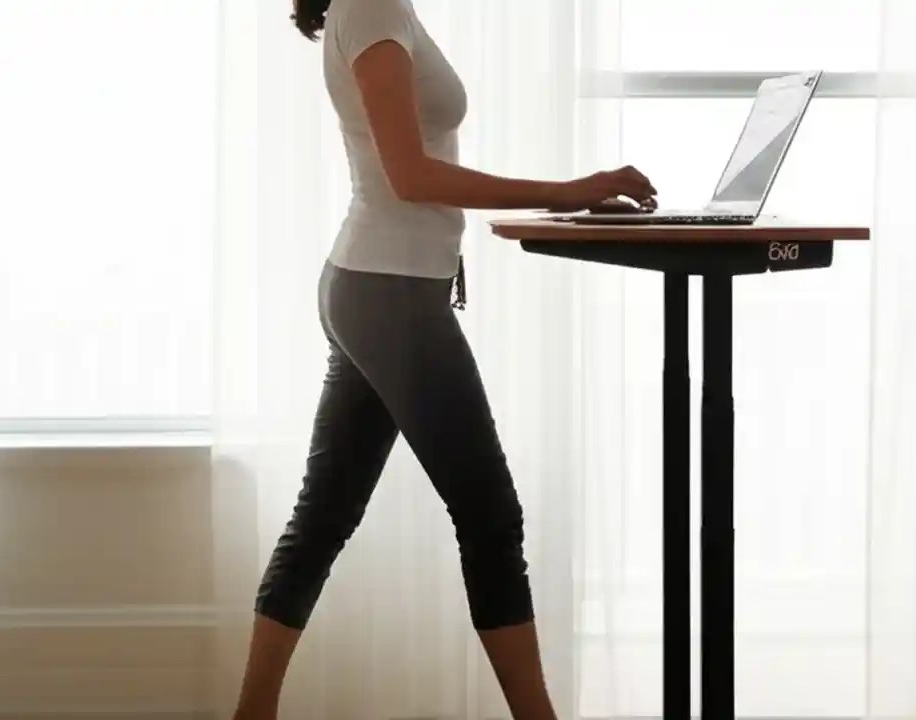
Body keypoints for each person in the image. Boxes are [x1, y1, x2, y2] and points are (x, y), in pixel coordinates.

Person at [232, 0, 656, 718]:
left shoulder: (379, 7)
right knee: (490, 516)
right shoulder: (368, 8)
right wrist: (567, 190)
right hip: (387, 295)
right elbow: (411, 176)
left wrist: (565, 202)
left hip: (377, 286)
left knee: (325, 515)